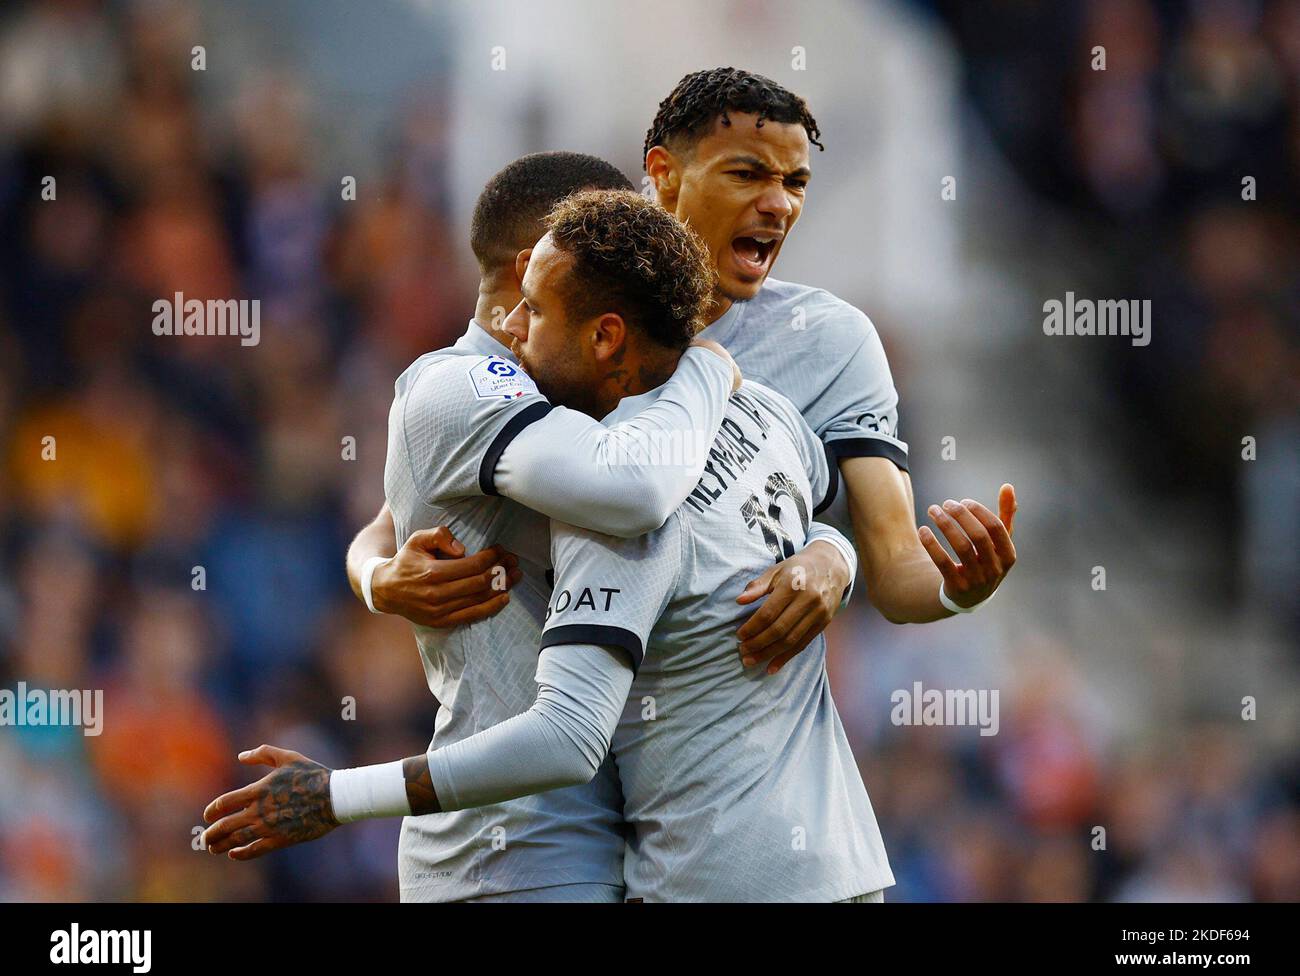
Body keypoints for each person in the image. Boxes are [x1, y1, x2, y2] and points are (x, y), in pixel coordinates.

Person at [203, 189, 893, 902]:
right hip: (841, 862)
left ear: (604, 335)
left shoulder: (612, 510)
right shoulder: (764, 413)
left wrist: (338, 796)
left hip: (714, 878)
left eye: (536, 307)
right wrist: (832, 555)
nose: (514, 326)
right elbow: (808, 504)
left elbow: (566, 734)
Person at [349, 67, 1018, 680]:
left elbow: (896, 564)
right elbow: (410, 497)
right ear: (664, 174)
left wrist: (938, 583)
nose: (777, 205)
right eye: (746, 174)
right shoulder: (569, 313)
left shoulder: (833, 344)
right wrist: (378, 576)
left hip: (722, 754)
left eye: (794, 183)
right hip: (575, 740)